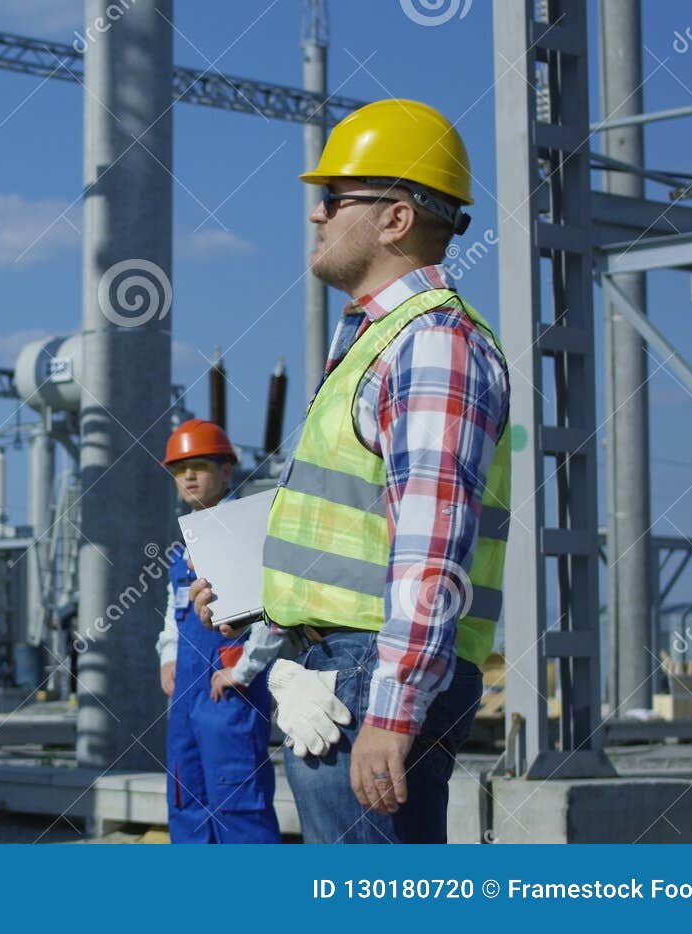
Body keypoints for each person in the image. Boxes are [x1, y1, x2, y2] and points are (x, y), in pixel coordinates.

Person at [193, 98, 510, 844]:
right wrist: (253, 593)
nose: (317, 215)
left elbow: (433, 545)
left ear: (395, 218)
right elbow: (351, 528)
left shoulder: (431, 343)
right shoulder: (375, 345)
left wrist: (394, 712)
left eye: (334, 199)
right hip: (342, 664)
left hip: (373, 671)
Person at [155, 419, 281, 843]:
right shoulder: (183, 549)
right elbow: (174, 614)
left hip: (228, 692)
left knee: (238, 800)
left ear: (227, 470)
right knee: (185, 794)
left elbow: (274, 614)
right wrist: (169, 655)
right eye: (179, 468)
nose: (188, 475)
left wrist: (244, 670)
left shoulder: (246, 535)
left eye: (201, 465)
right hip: (188, 692)